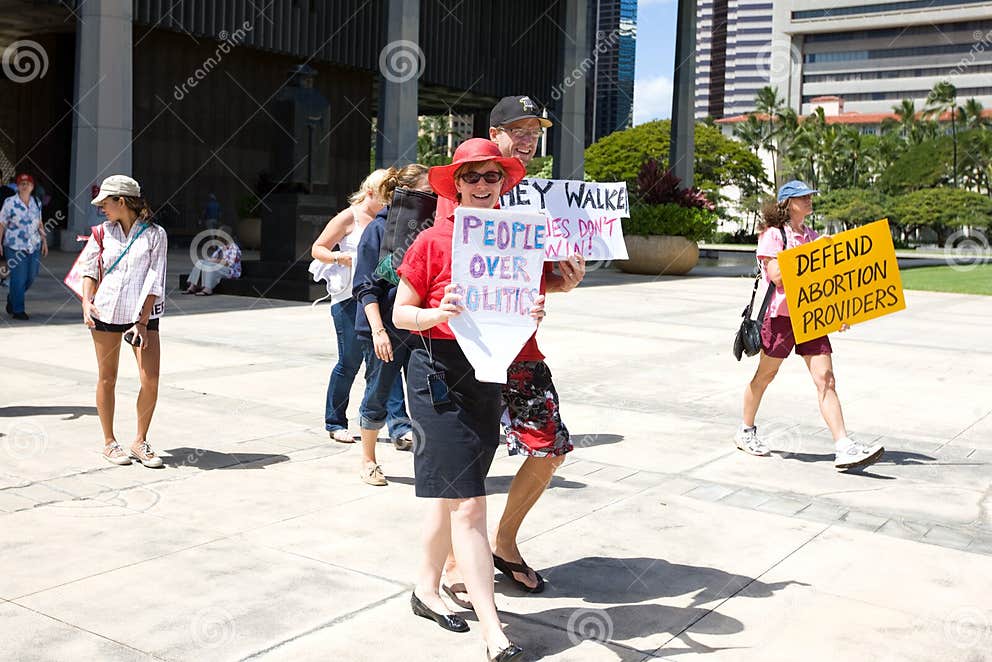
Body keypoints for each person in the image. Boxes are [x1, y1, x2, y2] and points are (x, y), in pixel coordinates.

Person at [393, 139, 542, 662]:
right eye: (473, 177)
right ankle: (493, 631)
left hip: (487, 372)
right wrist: (437, 314)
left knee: (449, 495)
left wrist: (531, 308)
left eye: (492, 177)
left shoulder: (514, 240)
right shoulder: (432, 241)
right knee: (470, 505)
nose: (483, 185)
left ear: (504, 183)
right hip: (436, 374)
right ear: (455, 184)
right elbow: (400, 314)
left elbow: (520, 303)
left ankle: (425, 589)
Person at [442, 97, 586, 601]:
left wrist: (563, 281)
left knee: (550, 449)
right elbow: (437, 263)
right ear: (496, 130)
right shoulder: (461, 188)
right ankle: (459, 557)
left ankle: (503, 542)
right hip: (466, 349)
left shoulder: (534, 201)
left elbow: (530, 279)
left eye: (536, 129)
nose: (529, 136)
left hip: (522, 350)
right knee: (468, 455)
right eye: (519, 128)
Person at [735, 180, 884, 471]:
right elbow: (777, 275)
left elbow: (824, 280)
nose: (810, 201)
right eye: (804, 198)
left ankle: (843, 446)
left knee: (826, 378)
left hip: (811, 317)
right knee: (766, 375)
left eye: (810, 197)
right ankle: (745, 430)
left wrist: (838, 311)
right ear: (789, 203)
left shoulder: (812, 236)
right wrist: (813, 253)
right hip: (780, 318)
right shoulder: (773, 235)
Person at [311, 170, 408, 450]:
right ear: (370, 193)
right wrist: (340, 257)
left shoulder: (392, 220)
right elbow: (317, 248)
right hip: (348, 299)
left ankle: (400, 425)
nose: (390, 199)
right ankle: (335, 421)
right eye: (385, 194)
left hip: (378, 297)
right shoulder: (348, 217)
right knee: (350, 362)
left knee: (386, 359)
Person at [78, 175, 168, 468]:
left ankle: (140, 441)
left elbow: (156, 279)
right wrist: (86, 302)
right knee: (107, 377)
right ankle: (109, 442)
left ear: (122, 201)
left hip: (142, 317)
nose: (101, 207)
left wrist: (142, 322)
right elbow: (90, 268)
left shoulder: (156, 235)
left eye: (105, 202)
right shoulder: (102, 232)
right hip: (106, 313)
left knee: (150, 380)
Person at [350, 164, 431, 486]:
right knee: (378, 392)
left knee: (424, 395)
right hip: (381, 326)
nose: (433, 199)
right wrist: (378, 331)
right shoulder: (379, 229)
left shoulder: (431, 227)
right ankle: (368, 460)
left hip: (418, 326)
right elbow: (366, 286)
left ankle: (425, 455)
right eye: (427, 192)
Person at [0, 173, 47, 320]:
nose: (25, 186)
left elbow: (39, 222)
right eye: (22, 183)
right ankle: (18, 310)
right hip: (14, 246)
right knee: (18, 278)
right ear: (17, 186)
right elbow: (1, 224)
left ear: (33, 187)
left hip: (33, 245)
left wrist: (44, 241)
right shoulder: (10, 202)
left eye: (28, 183)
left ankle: (13, 297)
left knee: (31, 276)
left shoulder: (36, 202)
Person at [184, 227, 242, 295]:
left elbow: (228, 263)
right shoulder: (221, 247)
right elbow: (212, 259)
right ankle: (193, 285)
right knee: (200, 262)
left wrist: (214, 261)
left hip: (230, 271)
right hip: (220, 267)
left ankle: (208, 288)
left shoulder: (234, 248)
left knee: (211, 266)